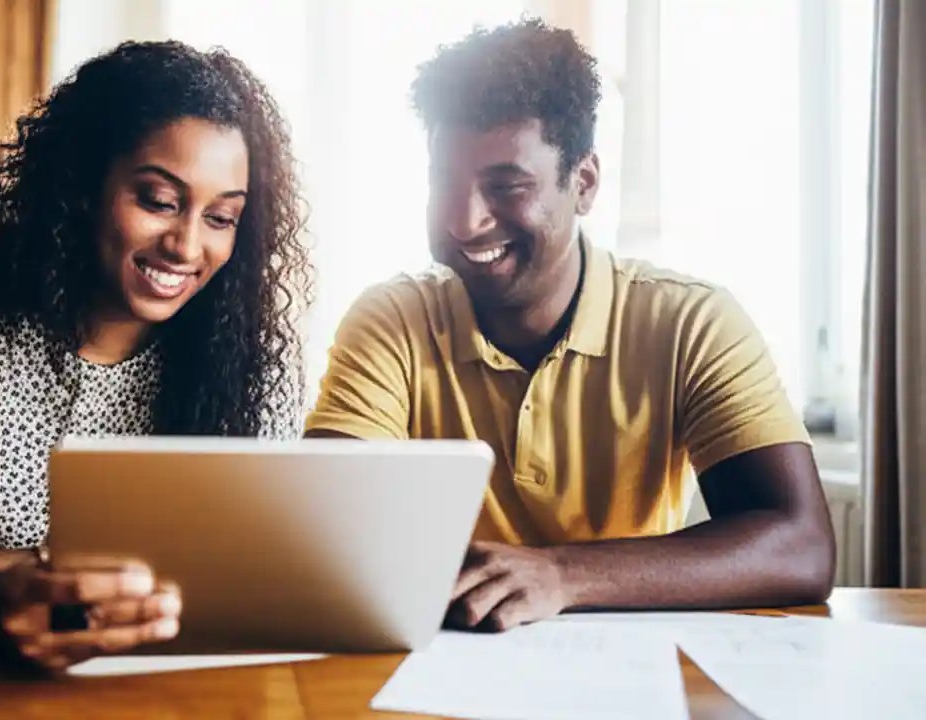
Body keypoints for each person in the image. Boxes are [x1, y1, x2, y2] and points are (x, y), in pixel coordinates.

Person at [306, 19, 834, 631]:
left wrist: (561, 574)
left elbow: (801, 546)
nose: (464, 220)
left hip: (629, 675)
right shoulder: (392, 320)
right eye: (444, 181)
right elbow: (326, 529)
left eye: (505, 186)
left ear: (582, 183)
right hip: (449, 663)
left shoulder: (692, 320)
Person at [0, 41, 311, 673]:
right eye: (158, 201)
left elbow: (267, 568)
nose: (187, 245)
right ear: (82, 184)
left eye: (221, 217)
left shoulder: (254, 369)